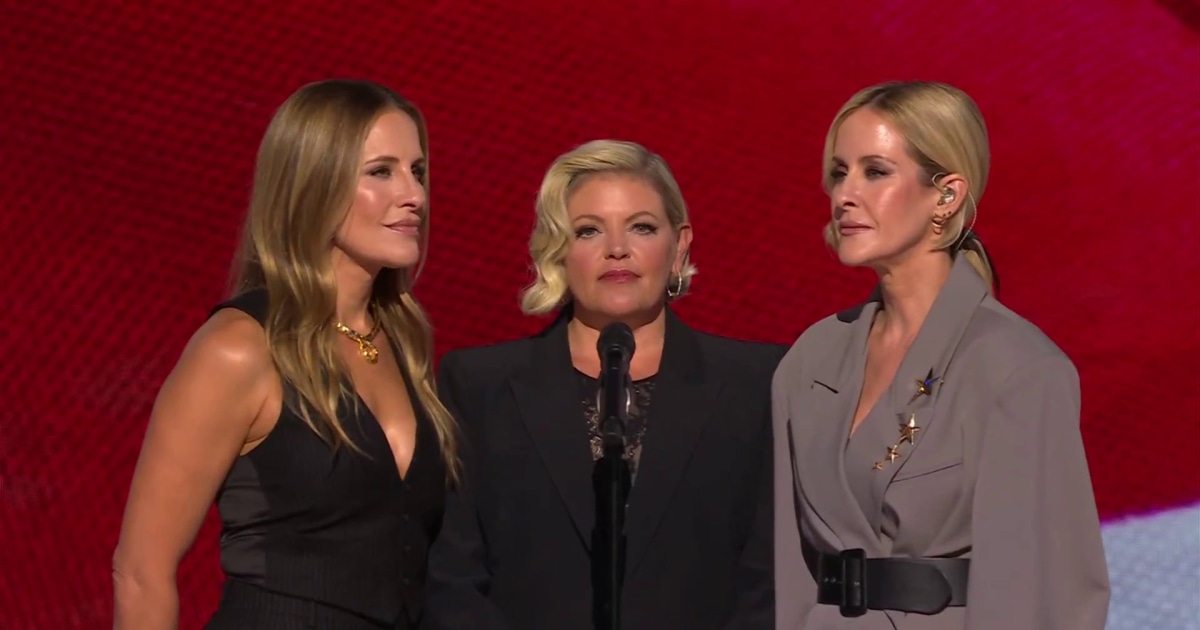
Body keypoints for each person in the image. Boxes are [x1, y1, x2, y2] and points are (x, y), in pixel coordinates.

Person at [111, 79, 459, 629]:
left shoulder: (401, 345)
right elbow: (140, 572)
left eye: (417, 171)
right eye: (380, 171)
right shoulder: (239, 348)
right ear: (313, 184)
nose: (413, 194)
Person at [772, 80, 1110, 629]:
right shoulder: (812, 357)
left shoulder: (1017, 367)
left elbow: (1053, 591)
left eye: (875, 172)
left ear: (947, 195)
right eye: (839, 172)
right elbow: (784, 565)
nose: (844, 195)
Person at [423, 139, 785, 629]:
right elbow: (452, 575)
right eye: (588, 230)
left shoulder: (757, 383)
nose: (617, 249)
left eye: (641, 227)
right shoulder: (480, 386)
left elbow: (771, 577)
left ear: (679, 246)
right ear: (558, 250)